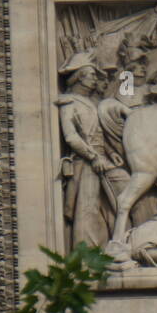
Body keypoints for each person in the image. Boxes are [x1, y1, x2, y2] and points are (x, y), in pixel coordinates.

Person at [56, 51, 116, 247]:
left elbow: (99, 133)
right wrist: (93, 156)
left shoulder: (93, 102)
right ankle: (86, 260)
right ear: (80, 77)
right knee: (87, 209)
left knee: (112, 205)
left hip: (102, 159)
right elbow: (71, 137)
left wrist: (110, 152)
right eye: (91, 75)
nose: (94, 79)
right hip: (87, 163)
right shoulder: (68, 102)